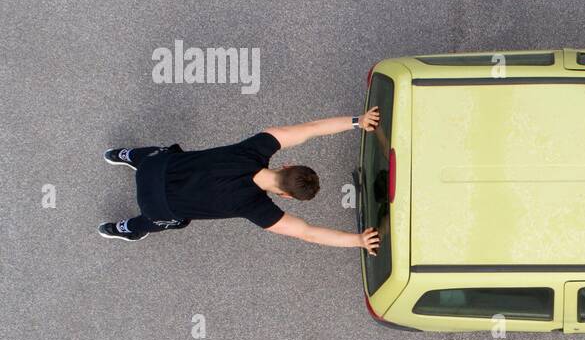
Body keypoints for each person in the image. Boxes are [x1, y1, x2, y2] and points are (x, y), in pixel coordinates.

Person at [99, 108, 382, 254]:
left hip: (154, 167)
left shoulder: (255, 149)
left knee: (158, 157)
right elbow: (308, 233)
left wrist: (359, 121)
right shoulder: (258, 209)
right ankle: (121, 228)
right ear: (287, 197)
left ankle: (125, 155)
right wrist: (357, 240)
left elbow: (311, 129)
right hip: (157, 207)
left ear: (287, 164)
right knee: (163, 219)